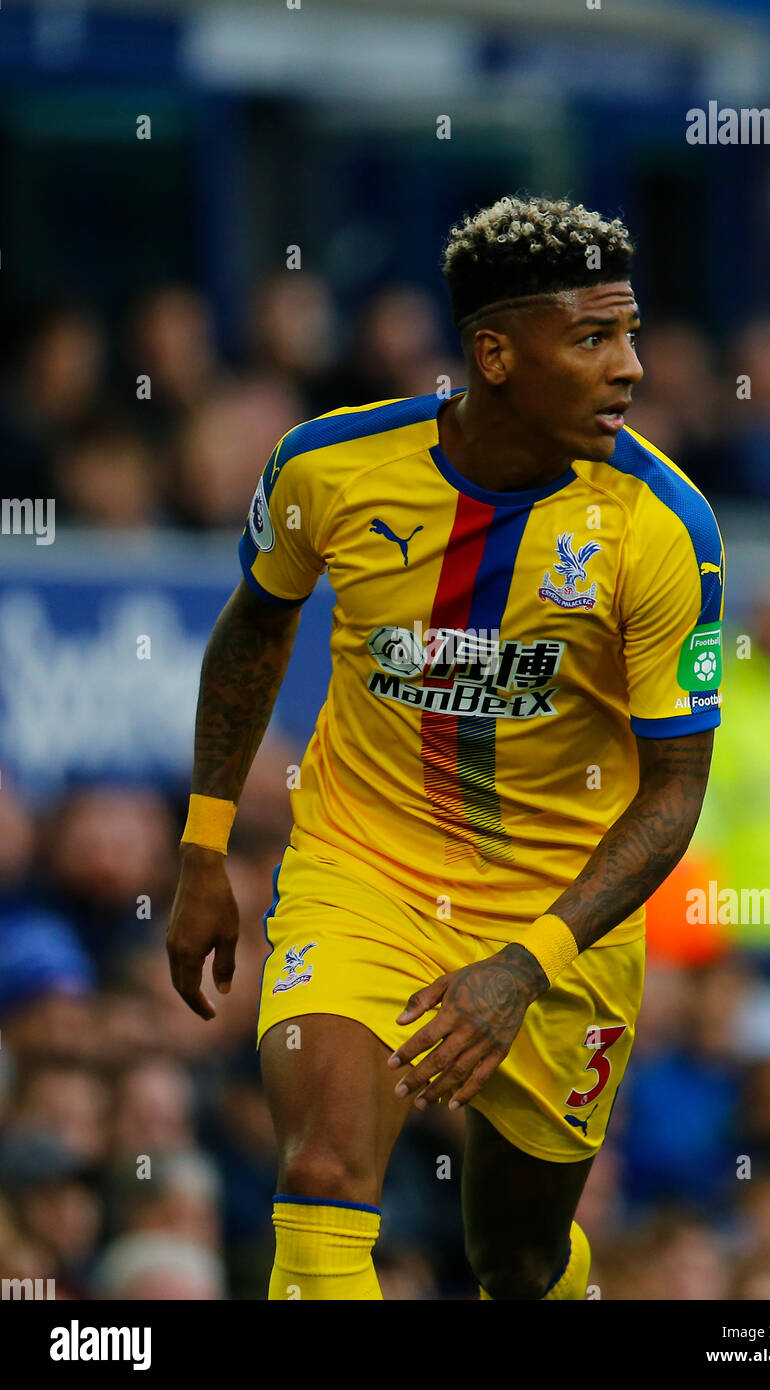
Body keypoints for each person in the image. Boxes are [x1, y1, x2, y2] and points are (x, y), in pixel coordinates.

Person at [167, 194, 725, 1301]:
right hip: (360, 870)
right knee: (323, 1172)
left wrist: (530, 963)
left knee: (513, 1258)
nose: (631, 368)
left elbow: (674, 794)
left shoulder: (666, 529)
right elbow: (257, 622)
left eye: (631, 333)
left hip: (559, 916)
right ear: (495, 353)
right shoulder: (327, 468)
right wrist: (201, 844)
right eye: (594, 337)